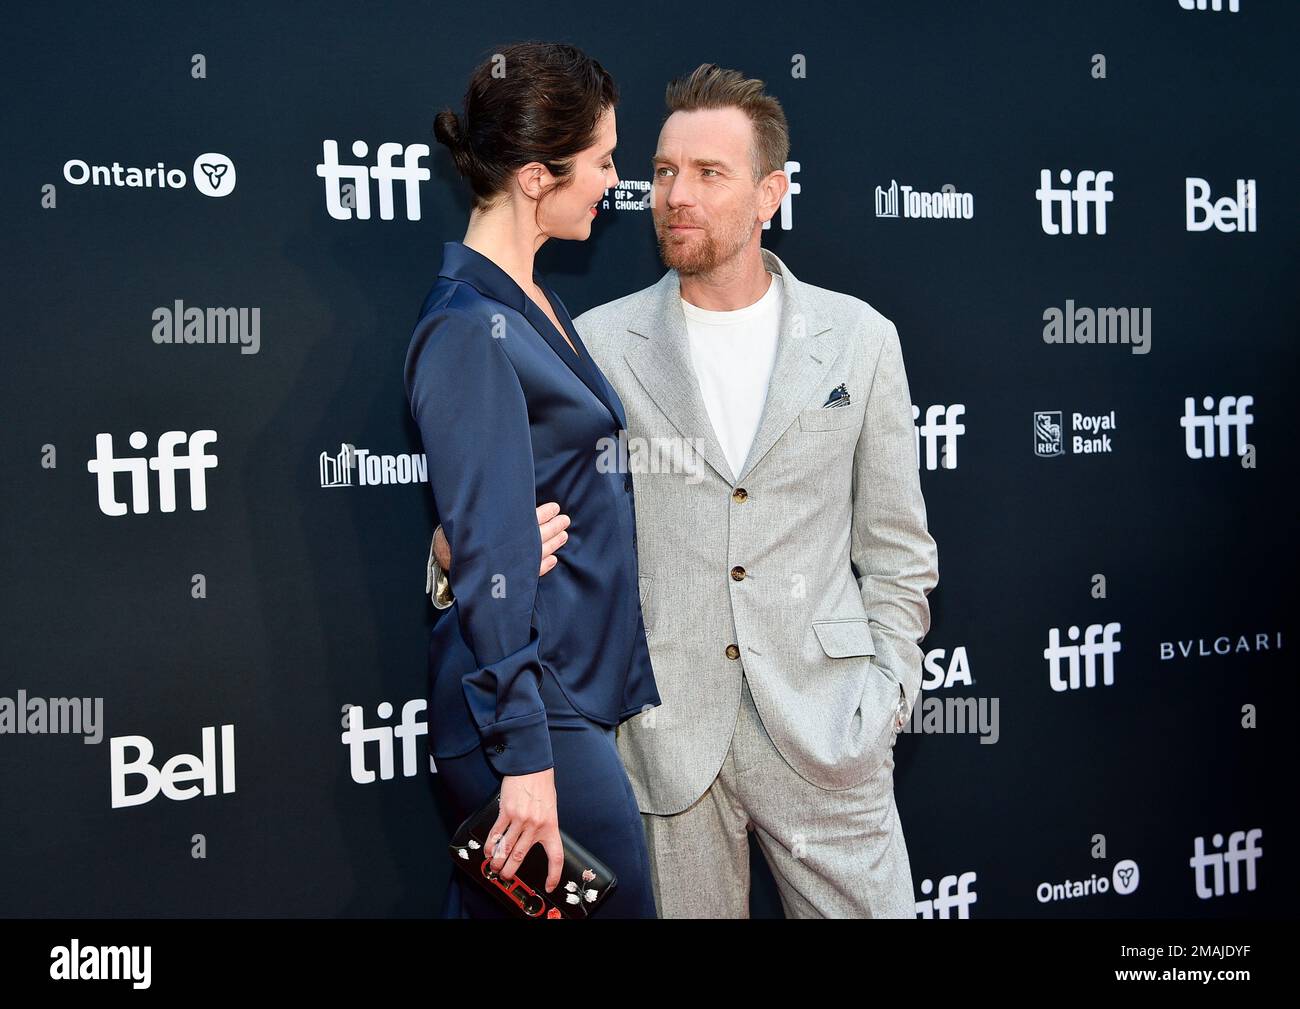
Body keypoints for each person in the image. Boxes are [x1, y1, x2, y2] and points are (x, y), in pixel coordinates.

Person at [432, 64, 939, 918]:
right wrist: (452, 555)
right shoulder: (594, 344)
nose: (675, 194)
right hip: (664, 748)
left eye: (709, 174)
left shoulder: (859, 339)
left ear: (769, 192)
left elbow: (897, 548)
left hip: (826, 732)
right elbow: (493, 498)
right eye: (664, 171)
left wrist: (885, 694)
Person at [404, 41, 660, 918]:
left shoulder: (529, 302)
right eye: (603, 160)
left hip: (560, 694)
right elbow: (486, 548)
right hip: (523, 709)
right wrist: (525, 757)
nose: (615, 181)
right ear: (537, 177)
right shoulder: (468, 328)